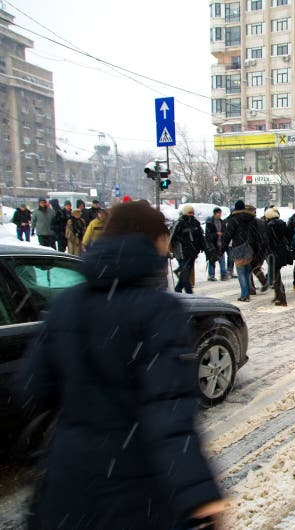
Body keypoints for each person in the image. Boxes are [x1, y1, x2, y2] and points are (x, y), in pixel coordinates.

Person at [13, 201, 225, 529]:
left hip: (68, 480)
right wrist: (199, 493)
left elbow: (30, 388)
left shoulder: (66, 303)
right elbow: (169, 412)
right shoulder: (159, 310)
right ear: (154, 241)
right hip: (136, 485)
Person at [222, 200, 259, 301]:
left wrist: (222, 248)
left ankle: (245, 295)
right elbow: (256, 234)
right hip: (250, 247)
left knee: (241, 272)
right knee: (247, 271)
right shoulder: (251, 219)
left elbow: (227, 236)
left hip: (238, 247)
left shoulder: (233, 220)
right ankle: (247, 292)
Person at [170, 205, 206, 294]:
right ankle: (189, 293)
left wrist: (203, 247)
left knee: (185, 273)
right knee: (185, 274)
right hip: (181, 252)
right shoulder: (179, 223)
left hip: (192, 252)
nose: (191, 214)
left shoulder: (196, 223)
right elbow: (171, 236)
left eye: (192, 212)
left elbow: (200, 236)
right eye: (189, 212)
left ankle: (178, 289)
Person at [264, 206, 292, 306]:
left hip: (273, 253)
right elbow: (288, 237)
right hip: (282, 252)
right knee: (277, 275)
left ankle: (282, 299)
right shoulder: (283, 224)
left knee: (276, 277)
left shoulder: (269, 226)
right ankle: (278, 296)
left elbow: (267, 242)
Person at [205, 207, 228, 281]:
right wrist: (216, 234)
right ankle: (211, 275)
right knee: (212, 259)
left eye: (220, 213)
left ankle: (223, 274)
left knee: (222, 259)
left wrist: (223, 234)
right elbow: (208, 235)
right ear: (215, 213)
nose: (220, 214)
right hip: (213, 244)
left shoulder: (221, 222)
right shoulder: (210, 223)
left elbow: (225, 232)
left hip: (221, 244)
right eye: (219, 213)